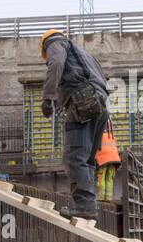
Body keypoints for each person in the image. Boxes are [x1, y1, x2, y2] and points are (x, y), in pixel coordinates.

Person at [40, 29, 109, 219]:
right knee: (87, 159)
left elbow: (55, 64)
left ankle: (84, 207)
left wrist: (48, 98)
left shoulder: (55, 43)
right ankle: (88, 206)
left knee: (74, 157)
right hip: (100, 107)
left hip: (83, 104)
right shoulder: (85, 54)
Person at [96, 119, 121, 200]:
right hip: (114, 161)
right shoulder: (112, 137)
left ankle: (101, 197)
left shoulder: (99, 137)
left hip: (104, 160)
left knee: (101, 178)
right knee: (109, 179)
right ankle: (108, 198)